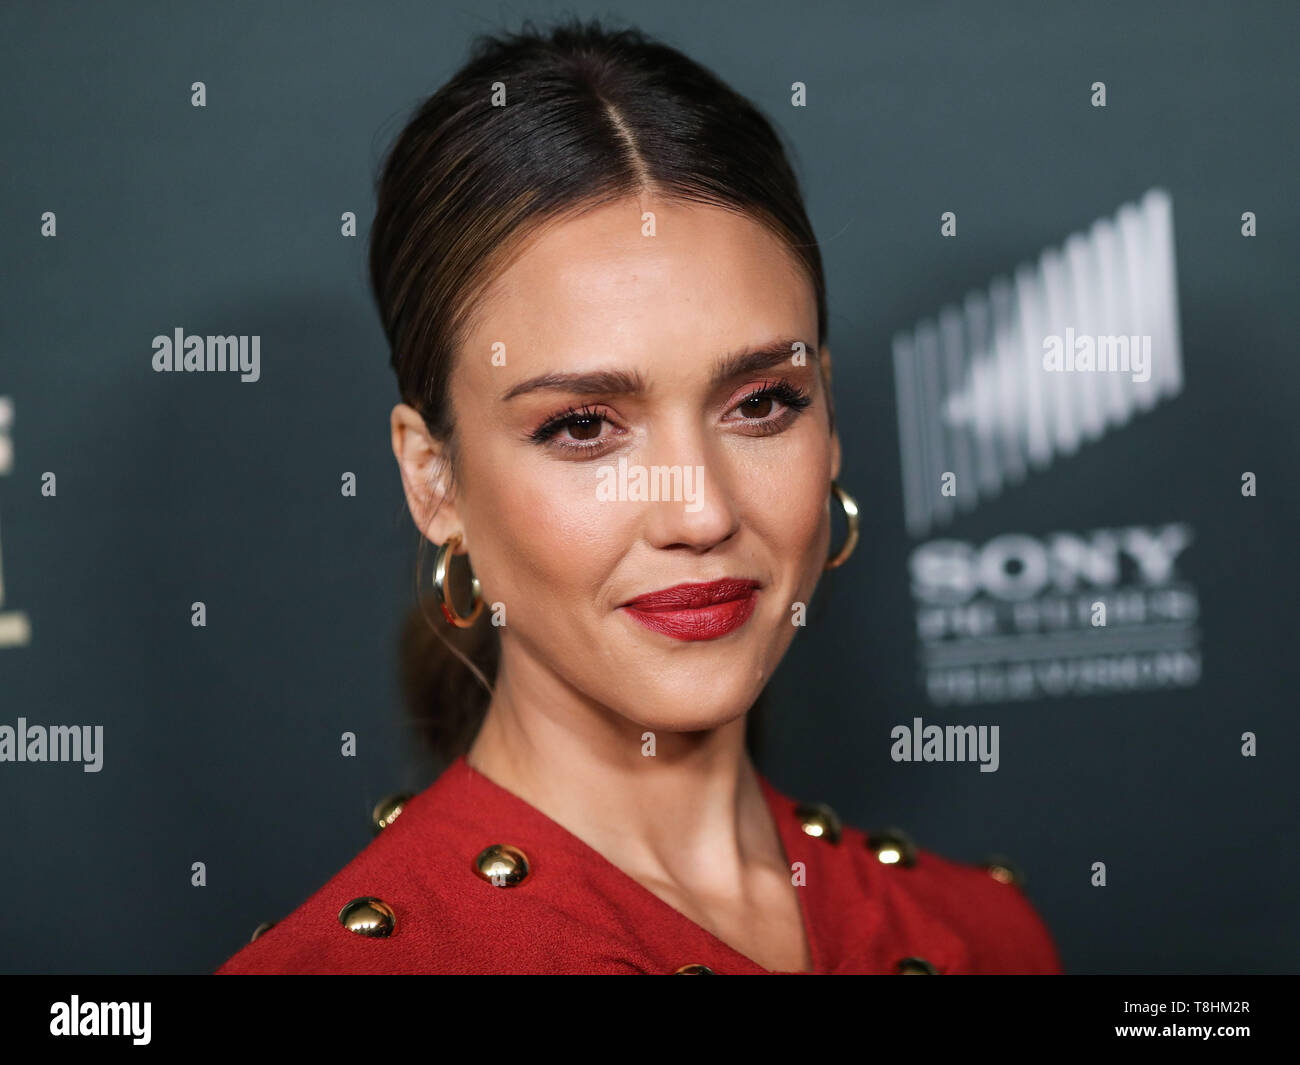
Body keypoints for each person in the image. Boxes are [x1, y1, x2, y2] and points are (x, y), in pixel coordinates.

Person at [216, 17, 1063, 975]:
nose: (700, 512)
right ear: (433, 479)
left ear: (827, 416)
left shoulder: (982, 940)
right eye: (583, 426)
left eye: (761, 404)